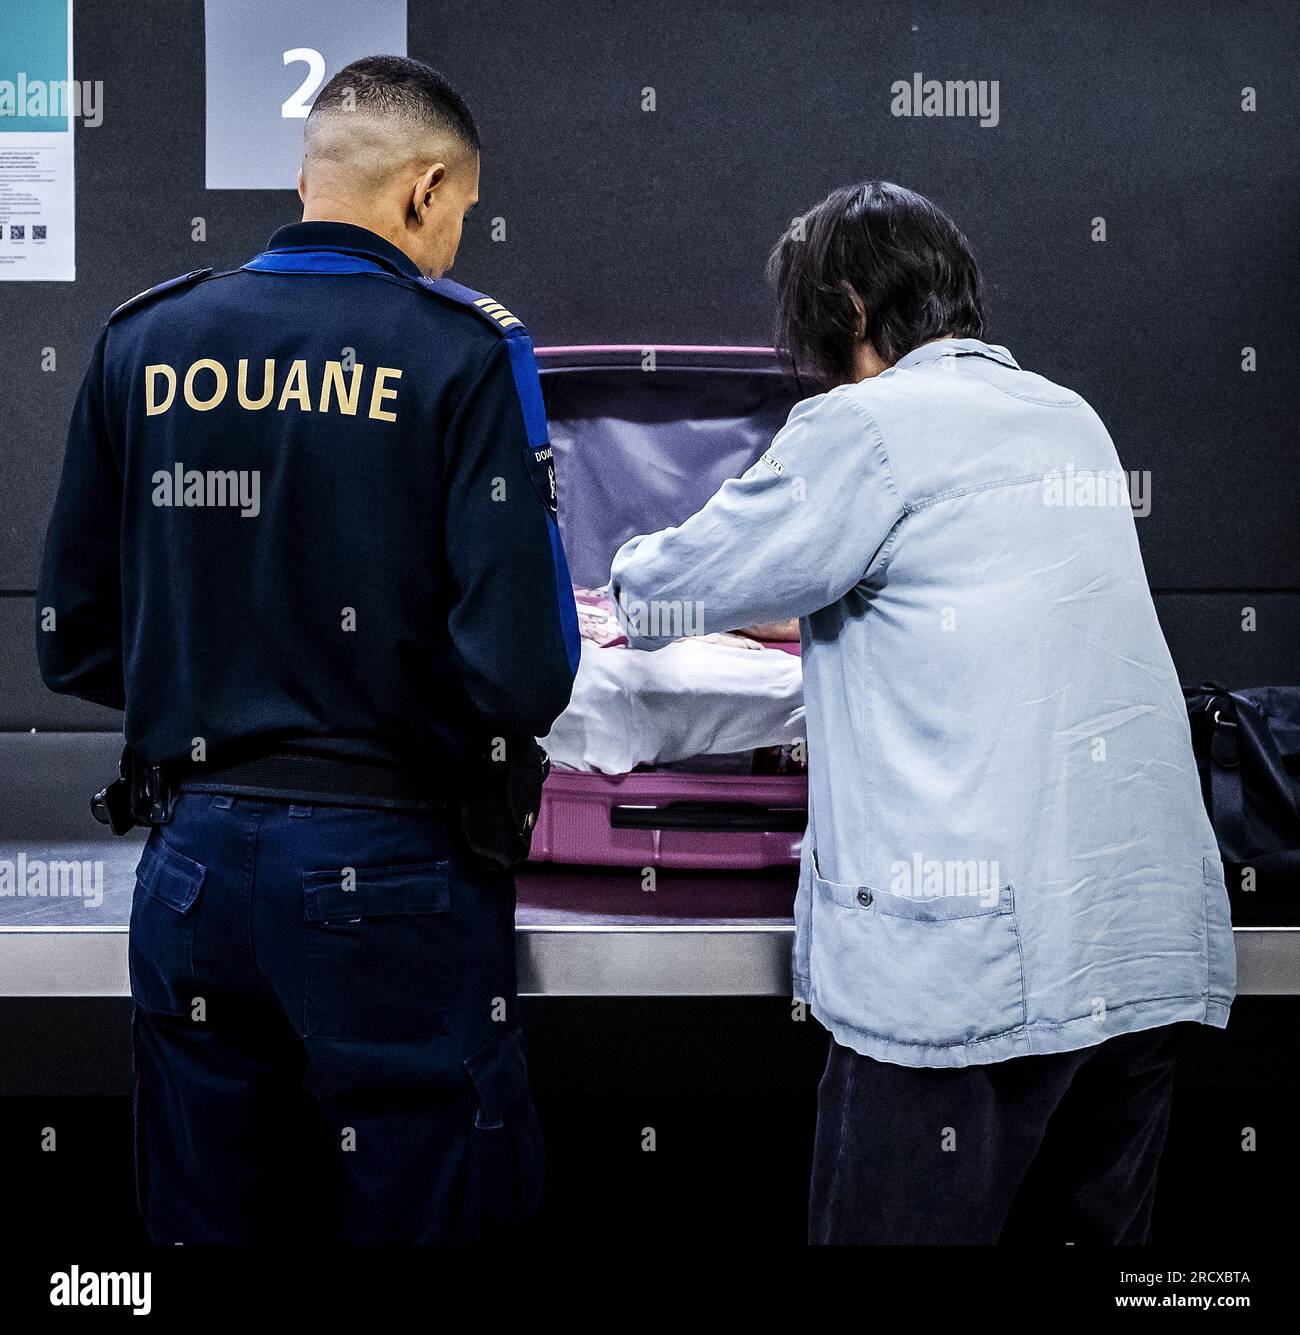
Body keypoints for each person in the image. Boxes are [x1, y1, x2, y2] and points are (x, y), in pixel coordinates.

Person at [609, 181, 1235, 1245]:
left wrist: (620, 575)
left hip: (968, 985)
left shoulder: (863, 428)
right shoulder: (1065, 414)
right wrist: (807, 610)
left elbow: (664, 594)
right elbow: (965, 594)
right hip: (1138, 954)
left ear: (845, 304)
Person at [36, 55, 579, 1244]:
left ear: (307, 176)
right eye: (465, 215)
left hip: (190, 876)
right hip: (396, 882)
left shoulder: (147, 339)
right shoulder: (468, 351)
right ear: (426, 190)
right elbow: (524, 671)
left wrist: (211, 681)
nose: (456, 243)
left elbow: (70, 639)